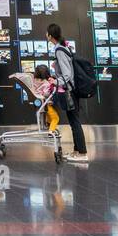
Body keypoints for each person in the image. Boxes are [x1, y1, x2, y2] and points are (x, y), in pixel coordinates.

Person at [47, 23, 88, 163]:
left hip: (69, 90)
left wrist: (55, 82)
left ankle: (82, 153)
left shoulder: (59, 49)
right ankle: (77, 151)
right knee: (73, 121)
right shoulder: (63, 46)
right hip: (71, 89)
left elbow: (67, 74)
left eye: (47, 33)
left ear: (50, 35)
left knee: (75, 122)